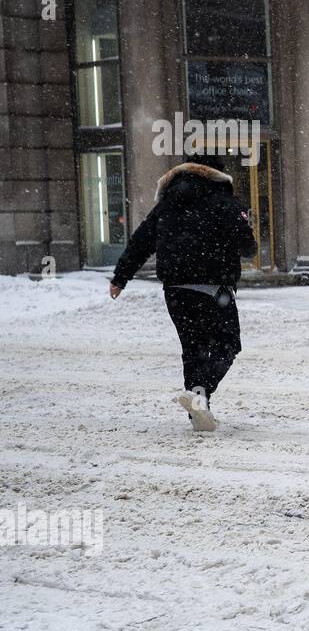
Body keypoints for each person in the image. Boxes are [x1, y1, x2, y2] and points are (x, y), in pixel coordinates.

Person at [109, 154, 257, 430]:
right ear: (218, 176)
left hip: (176, 291)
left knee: (193, 349)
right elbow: (248, 247)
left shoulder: (166, 204)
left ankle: (199, 410)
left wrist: (120, 277)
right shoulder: (224, 202)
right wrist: (244, 226)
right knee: (227, 344)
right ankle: (201, 392)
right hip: (214, 289)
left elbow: (140, 241)